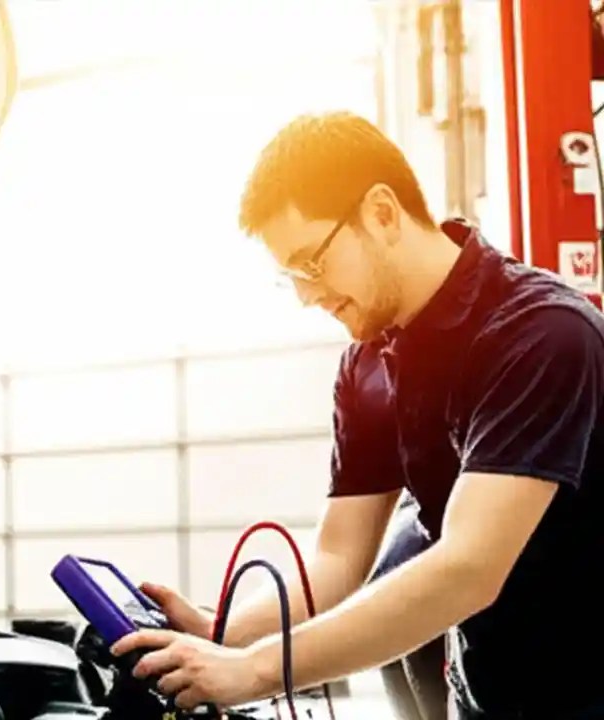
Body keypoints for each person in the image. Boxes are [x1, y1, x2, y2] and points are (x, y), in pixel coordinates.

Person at [111, 111, 604, 719]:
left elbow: (469, 568)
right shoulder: (371, 364)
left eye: (310, 264)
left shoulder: (543, 337)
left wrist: (255, 670)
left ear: (382, 213)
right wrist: (222, 634)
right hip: (491, 694)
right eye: (288, 276)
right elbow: (339, 560)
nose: (307, 295)